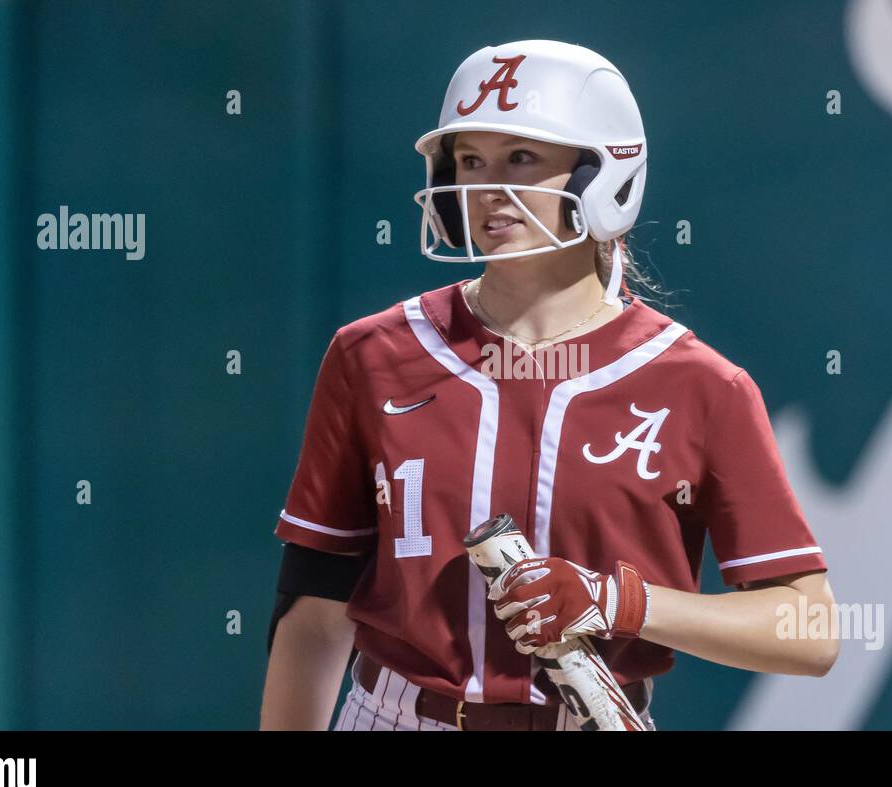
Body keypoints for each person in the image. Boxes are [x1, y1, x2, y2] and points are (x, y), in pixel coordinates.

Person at [260, 39, 837, 731]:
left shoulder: (702, 386)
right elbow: (314, 610)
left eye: (521, 158)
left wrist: (621, 602)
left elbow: (809, 629)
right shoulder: (372, 353)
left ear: (606, 174)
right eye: (470, 159)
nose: (485, 186)